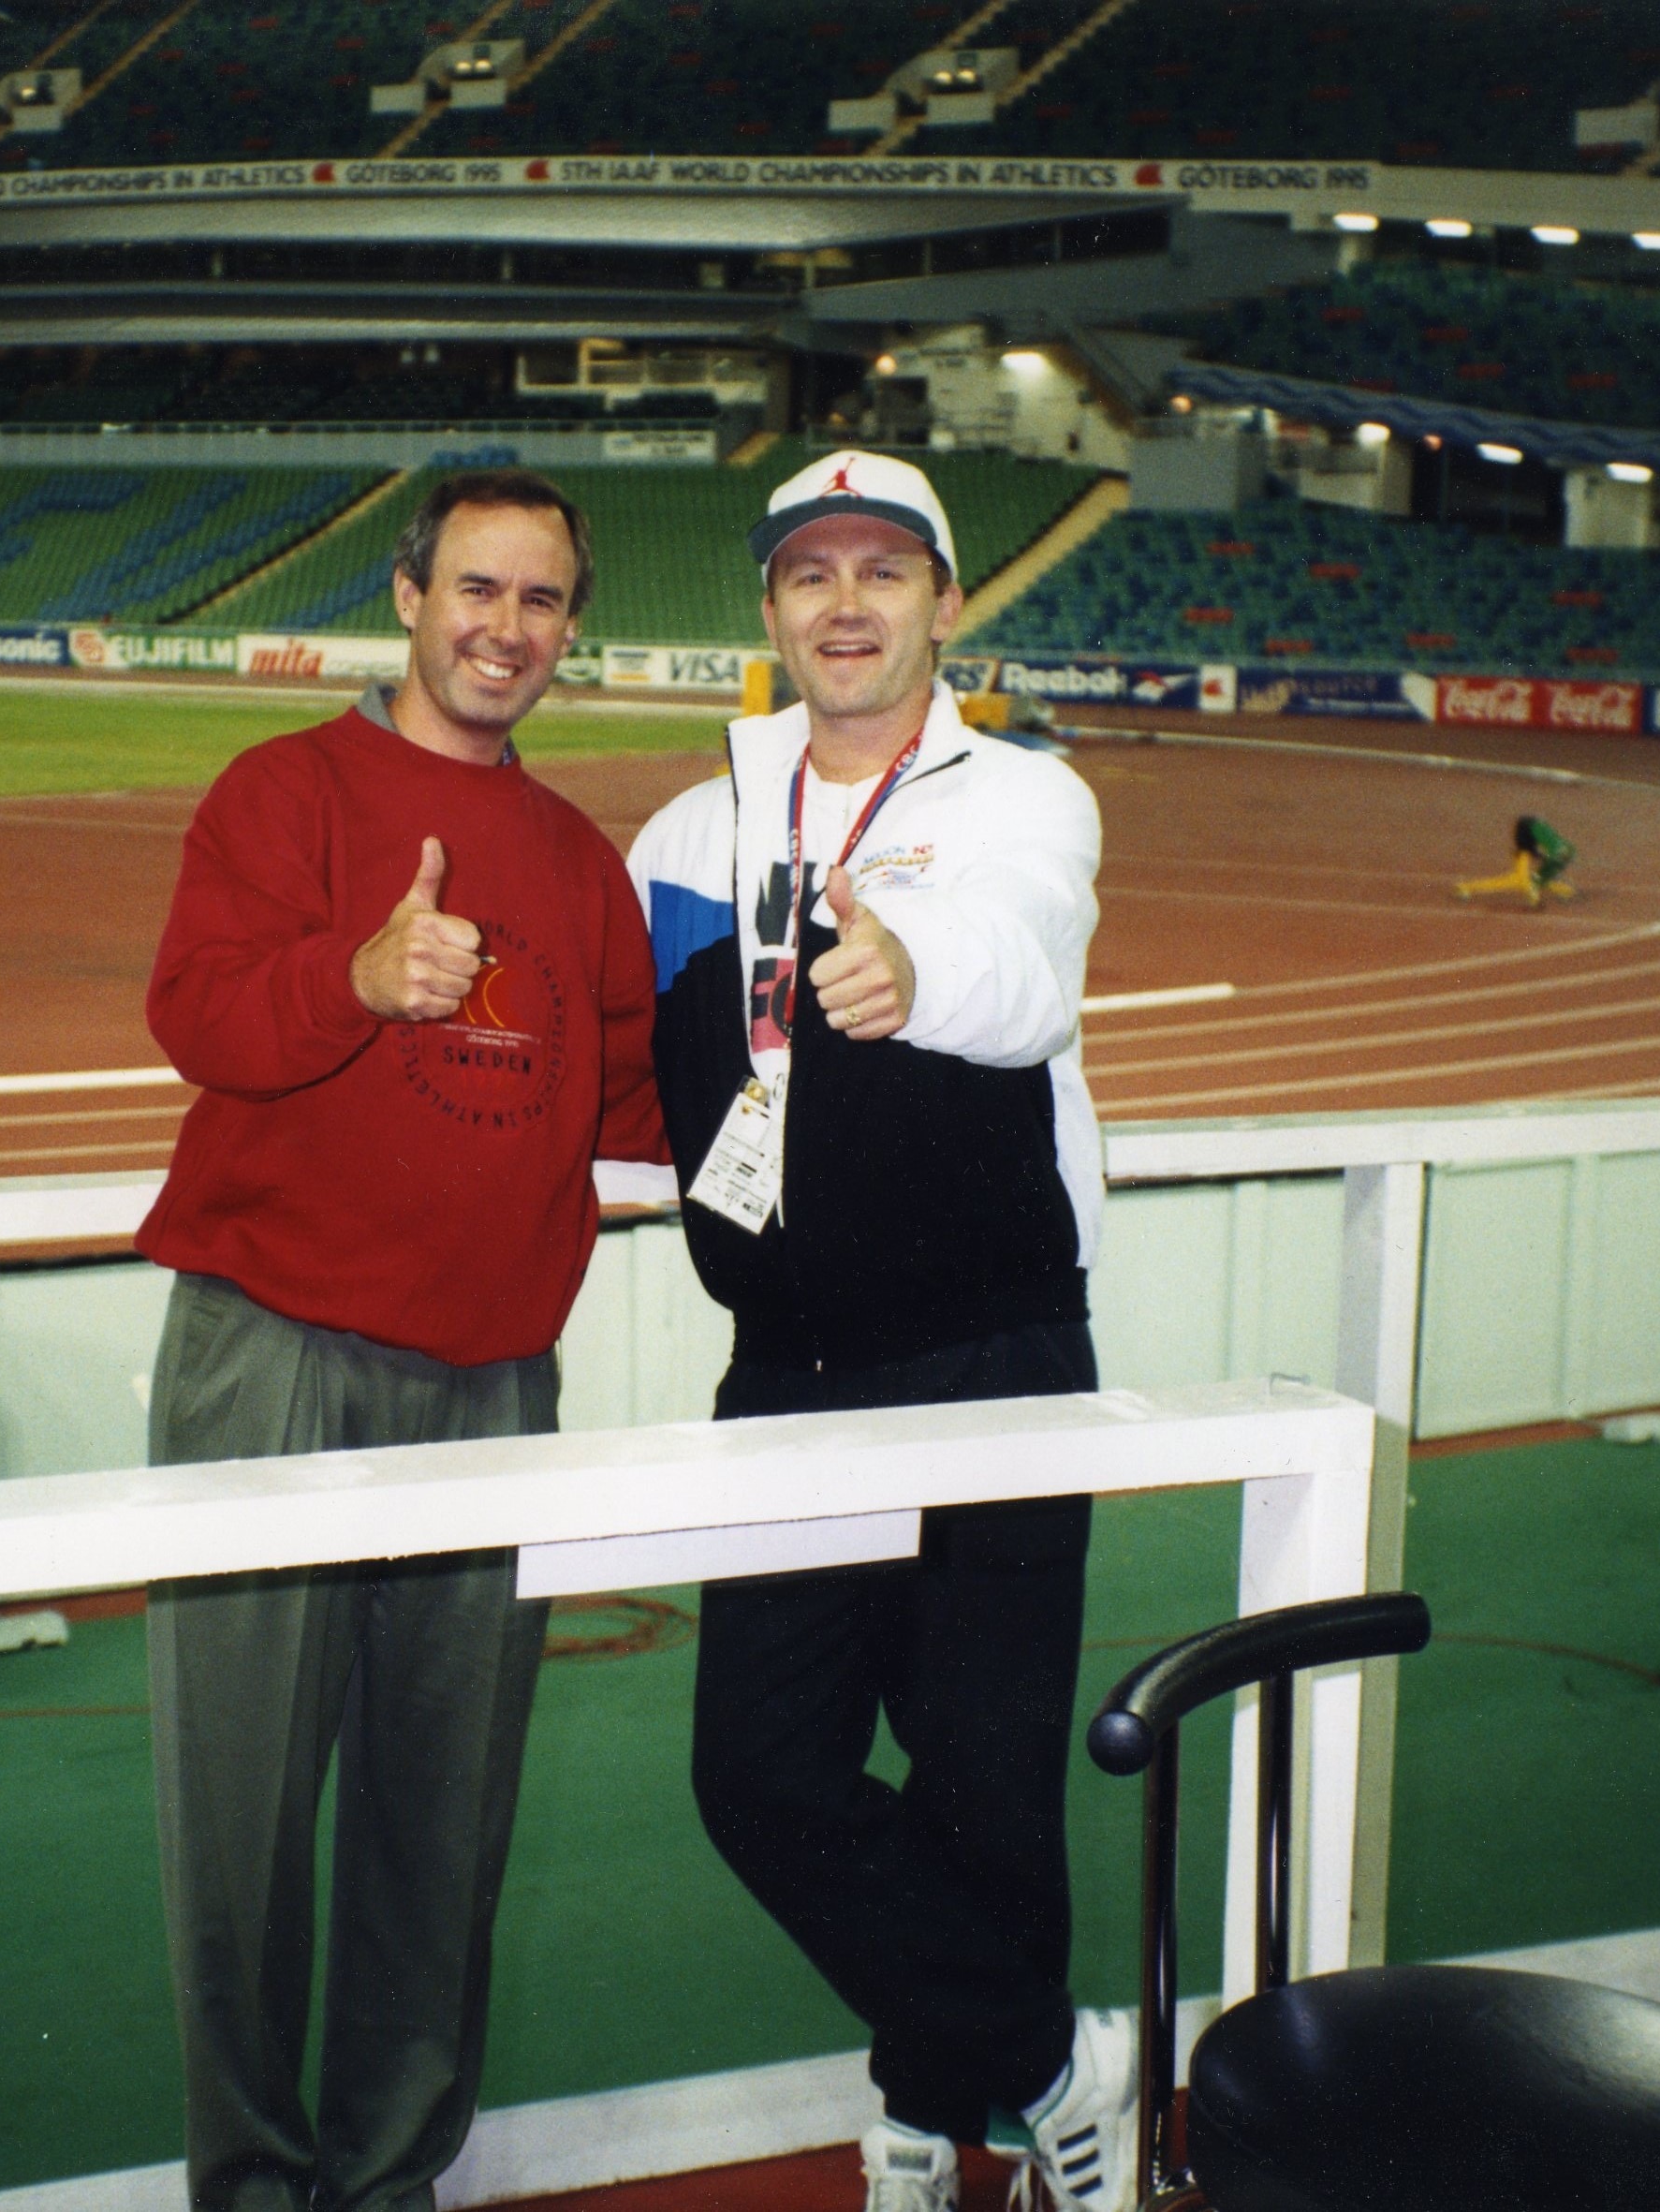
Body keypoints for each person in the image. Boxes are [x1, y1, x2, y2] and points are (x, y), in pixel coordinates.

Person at [133, 469, 665, 2212]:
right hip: (273, 1352)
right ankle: (253, 2184)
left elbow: (644, 1103)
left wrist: (822, 1071)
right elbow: (198, 1011)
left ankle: (387, 2178)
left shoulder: (583, 867)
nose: (506, 629)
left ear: (571, 627)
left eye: (542, 602)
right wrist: (355, 981)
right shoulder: (284, 793)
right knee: (245, 1825)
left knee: (440, 1829)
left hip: (493, 1385)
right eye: (477, 590)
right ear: (408, 594)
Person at [628, 450, 1135, 2212]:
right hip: (788, 1377)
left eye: (884, 572)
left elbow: (1026, 967)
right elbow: (656, 1083)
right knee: (759, 1773)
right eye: (810, 574)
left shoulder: (1021, 796)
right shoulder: (688, 838)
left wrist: (913, 965)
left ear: (945, 599)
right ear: (766, 610)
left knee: (990, 1783)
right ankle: (1052, 2060)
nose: (846, 603)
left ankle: (943, 2114)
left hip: (994, 1353)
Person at [1455, 813, 1576, 907]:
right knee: (1524, 881)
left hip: (1528, 835)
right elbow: (1549, 859)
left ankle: (1466, 887)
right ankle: (1466, 887)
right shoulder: (1557, 847)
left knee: (1527, 880)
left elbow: (1550, 861)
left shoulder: (1559, 847)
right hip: (1525, 837)